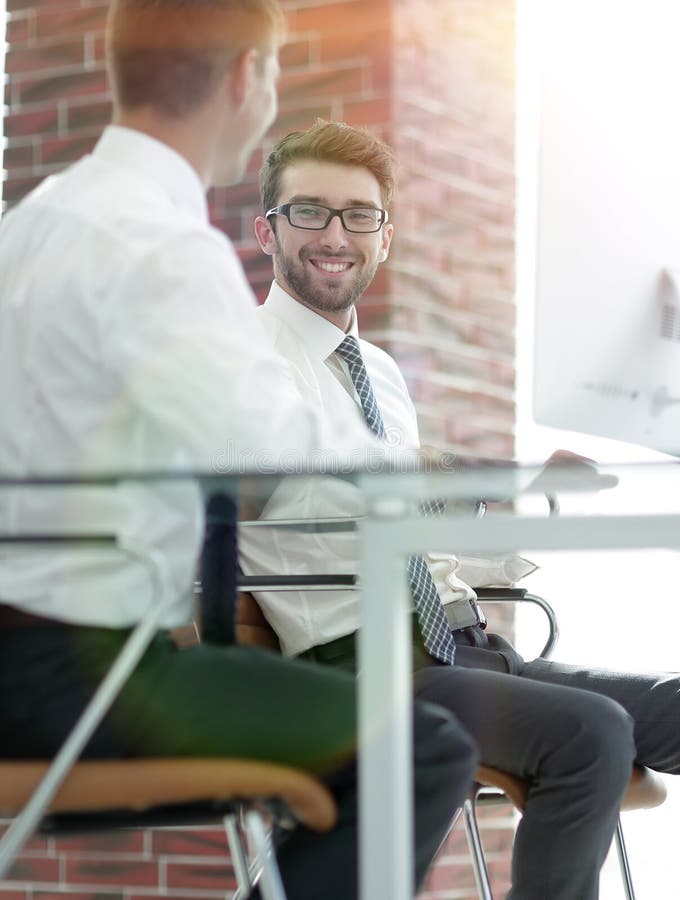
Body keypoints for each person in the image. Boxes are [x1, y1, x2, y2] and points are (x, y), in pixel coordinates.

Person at [0, 6, 479, 899]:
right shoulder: (164, 246)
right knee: (422, 749)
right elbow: (267, 441)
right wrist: (420, 471)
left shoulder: (30, 224)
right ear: (246, 78)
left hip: (27, 662)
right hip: (84, 683)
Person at [241, 118, 680, 900]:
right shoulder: (241, 356)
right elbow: (326, 468)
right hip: (366, 668)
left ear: (386, 240)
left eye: (359, 215)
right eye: (309, 211)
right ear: (266, 232)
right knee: (593, 734)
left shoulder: (378, 372)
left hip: (466, 651)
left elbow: (413, 529)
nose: (335, 234)